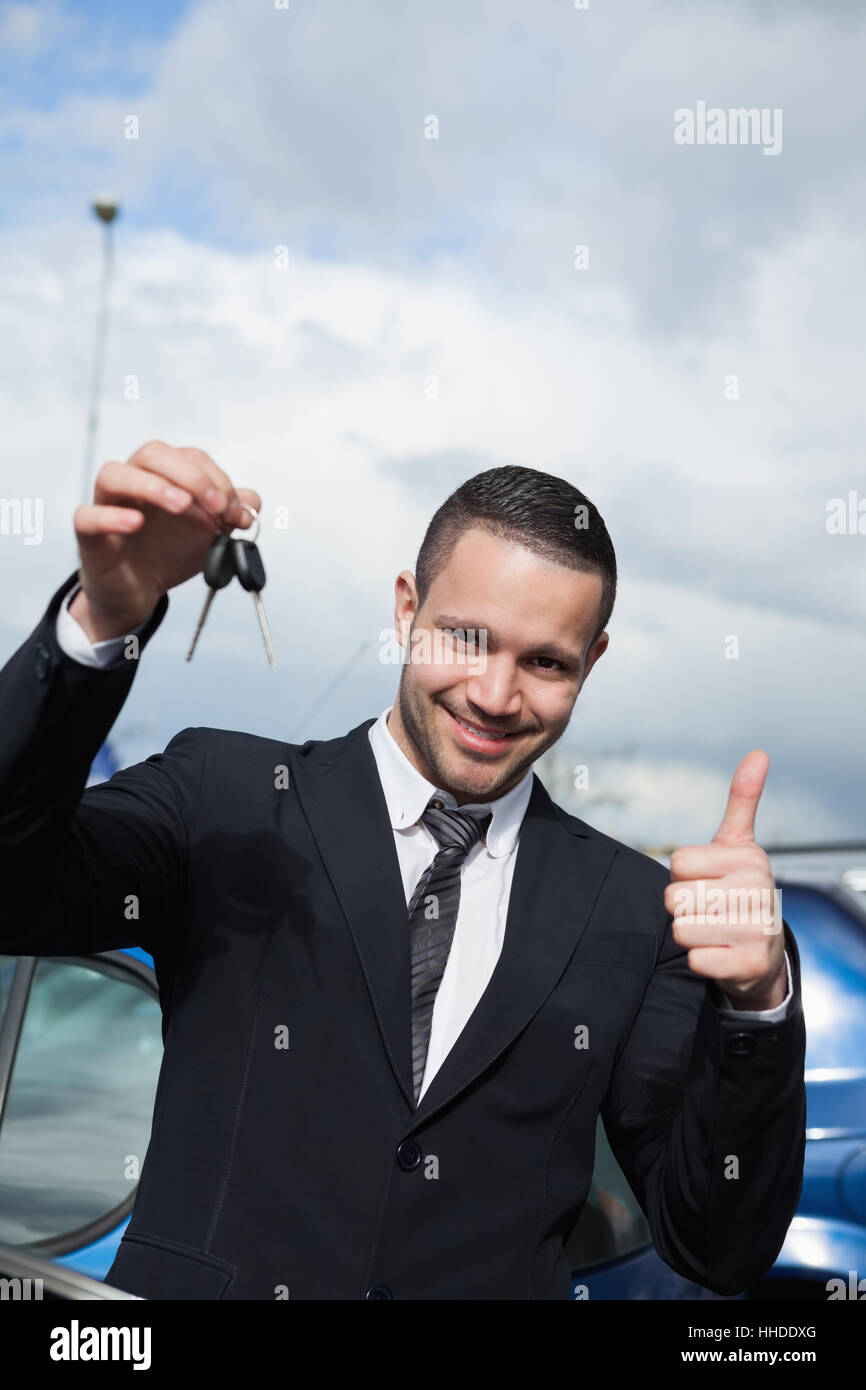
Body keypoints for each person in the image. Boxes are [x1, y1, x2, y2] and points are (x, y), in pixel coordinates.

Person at [0, 442, 805, 1300]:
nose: (495, 696)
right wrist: (101, 623)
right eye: (467, 639)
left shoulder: (637, 916)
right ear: (406, 610)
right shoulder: (227, 797)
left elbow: (718, 1244)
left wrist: (757, 1007)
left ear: (592, 663)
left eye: (545, 662)